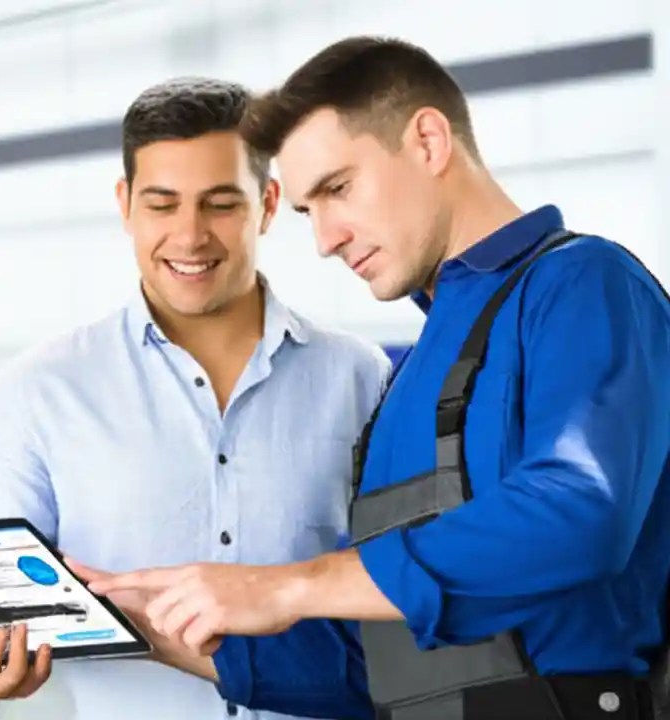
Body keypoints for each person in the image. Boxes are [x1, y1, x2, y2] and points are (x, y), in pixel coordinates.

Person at [90, 37, 670, 720]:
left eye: (338, 189)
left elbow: (580, 510)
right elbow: (368, 660)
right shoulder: (408, 381)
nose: (325, 239)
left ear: (427, 141)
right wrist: (140, 627)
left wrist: (291, 585)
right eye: (308, 210)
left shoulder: (581, 285)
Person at [0, 76, 390, 720]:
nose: (190, 236)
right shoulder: (39, 389)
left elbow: (403, 586)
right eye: (162, 204)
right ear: (125, 204)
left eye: (221, 204)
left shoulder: (360, 377)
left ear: (270, 203)